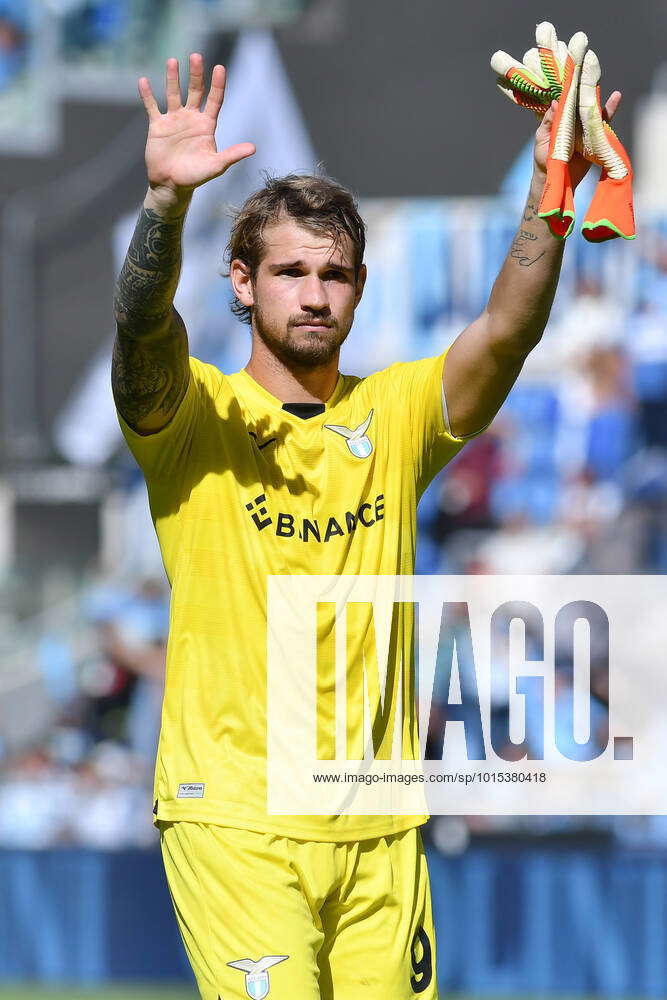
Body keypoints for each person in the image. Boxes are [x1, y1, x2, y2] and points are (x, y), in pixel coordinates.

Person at [112, 53, 621, 1000]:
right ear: (241, 282)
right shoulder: (190, 420)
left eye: (334, 274)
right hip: (236, 822)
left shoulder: (392, 418)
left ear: (359, 287)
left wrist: (551, 189)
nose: (314, 294)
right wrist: (163, 208)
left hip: (381, 831)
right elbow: (141, 337)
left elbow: (507, 332)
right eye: (290, 271)